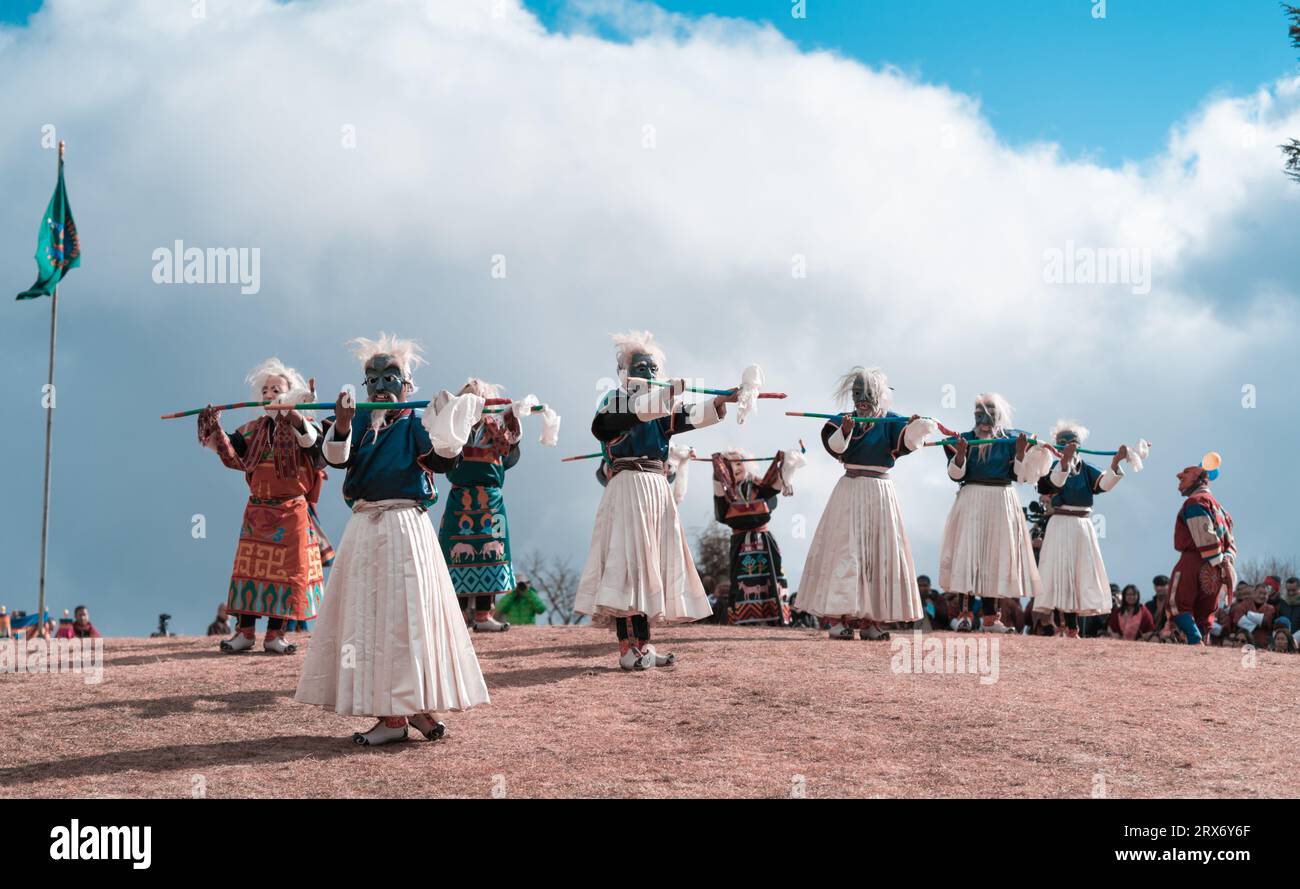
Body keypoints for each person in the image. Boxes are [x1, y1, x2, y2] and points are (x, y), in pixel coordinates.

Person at [294, 333, 489, 746]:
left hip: (406, 526)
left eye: (391, 377)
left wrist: (451, 420)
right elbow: (332, 458)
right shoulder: (358, 422)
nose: (381, 386)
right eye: (373, 379)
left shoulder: (416, 423)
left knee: (406, 618)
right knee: (373, 618)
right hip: (366, 526)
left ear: (408, 385)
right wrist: (344, 423)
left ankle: (404, 711)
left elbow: (442, 460)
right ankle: (401, 713)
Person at [574, 330, 733, 670]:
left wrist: (721, 401)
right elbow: (607, 427)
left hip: (657, 488)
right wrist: (662, 399)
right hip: (628, 485)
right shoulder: (615, 401)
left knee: (649, 567)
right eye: (640, 366)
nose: (647, 372)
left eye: (652, 368)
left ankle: (642, 647)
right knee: (627, 567)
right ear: (625, 370)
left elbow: (687, 416)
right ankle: (626, 650)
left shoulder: (662, 407)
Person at [197, 358, 325, 655]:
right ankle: (243, 632)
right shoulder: (253, 428)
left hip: (292, 511)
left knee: (287, 573)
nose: (269, 394)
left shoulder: (305, 426)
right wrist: (214, 425)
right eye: (266, 390)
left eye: (276, 389)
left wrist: (295, 417)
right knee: (250, 570)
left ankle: (274, 636)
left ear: (290, 394)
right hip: (258, 510)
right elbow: (232, 451)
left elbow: (314, 446)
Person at [796, 368, 933, 640]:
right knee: (846, 551)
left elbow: (908, 441)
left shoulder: (892, 421)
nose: (861, 399)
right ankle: (839, 618)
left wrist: (917, 427)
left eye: (867, 394)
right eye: (856, 393)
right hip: (850, 488)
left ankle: (874, 622)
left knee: (880, 553)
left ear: (879, 396)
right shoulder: (841, 420)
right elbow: (836, 448)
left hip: (881, 491)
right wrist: (846, 430)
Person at [939, 393, 1052, 632]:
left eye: (989, 416)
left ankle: (991, 619)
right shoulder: (963, 440)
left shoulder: (1010, 441)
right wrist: (960, 454)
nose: (983, 421)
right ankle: (964, 615)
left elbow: (1020, 476)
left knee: (995, 557)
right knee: (968, 555)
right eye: (979, 415)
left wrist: (1021, 452)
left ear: (998, 418)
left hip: (1002, 499)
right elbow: (955, 474)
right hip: (972, 498)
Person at [437, 378, 522, 633]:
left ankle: (484, 615)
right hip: (460, 499)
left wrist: (514, 429)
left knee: (491, 557)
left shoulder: (498, 431)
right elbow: (442, 456)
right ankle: (459, 615)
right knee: (456, 556)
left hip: (491, 501)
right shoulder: (455, 430)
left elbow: (509, 458)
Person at [1033, 421, 1129, 638]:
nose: (1067, 446)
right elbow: (1050, 485)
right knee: (1060, 573)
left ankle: (1073, 627)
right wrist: (1064, 461)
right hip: (1059, 523)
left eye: (1071, 442)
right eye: (1062, 442)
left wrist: (1115, 463)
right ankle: (1066, 626)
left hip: (1083, 525)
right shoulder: (1048, 467)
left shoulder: (1086, 468)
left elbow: (1103, 485)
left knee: (1079, 572)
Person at [712, 447, 798, 626]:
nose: (735, 467)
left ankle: (775, 618)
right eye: (728, 465)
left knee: (771, 577)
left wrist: (786, 463)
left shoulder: (759, 486)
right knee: (740, 578)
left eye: (738, 463)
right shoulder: (726, 492)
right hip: (740, 542)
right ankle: (744, 618)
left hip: (764, 541)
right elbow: (721, 512)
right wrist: (718, 472)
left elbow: (774, 487)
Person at [1168, 459, 1237, 645]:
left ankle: (1195, 641)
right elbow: (1230, 543)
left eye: (1186, 472)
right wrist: (1225, 564)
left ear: (1199, 479)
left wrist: (1218, 561)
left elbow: (1205, 537)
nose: (1179, 476)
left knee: (1178, 604)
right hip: (1216, 570)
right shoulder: (1223, 511)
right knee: (1204, 612)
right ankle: (1202, 648)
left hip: (1195, 562)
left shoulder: (1195, 502)